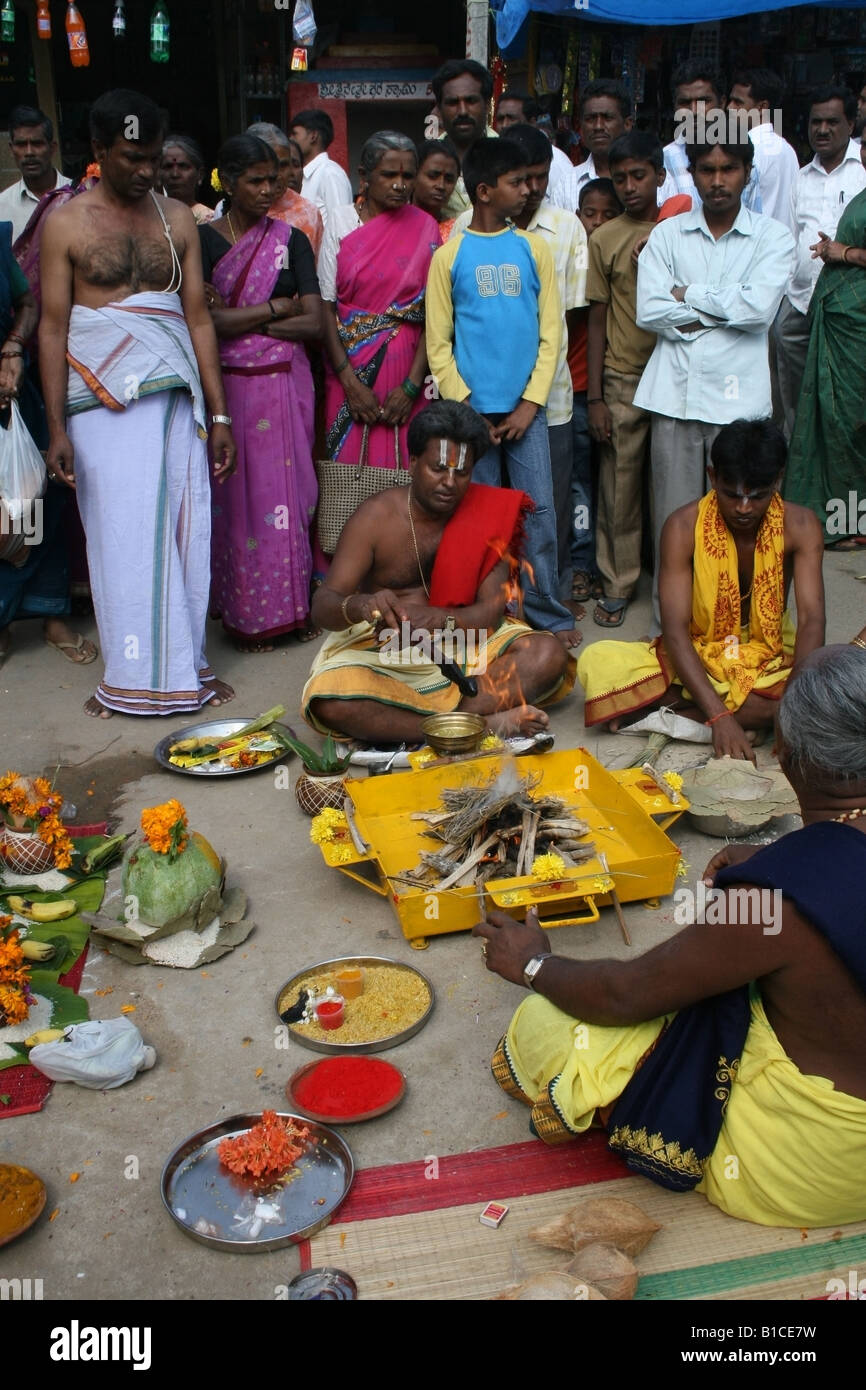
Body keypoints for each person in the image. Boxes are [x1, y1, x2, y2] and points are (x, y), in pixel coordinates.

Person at [478, 642, 866, 1229]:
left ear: (785, 754)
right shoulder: (782, 883)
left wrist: (534, 965)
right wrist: (773, 856)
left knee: (550, 1028)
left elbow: (625, 994)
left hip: (821, 1168)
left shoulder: (771, 900)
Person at [38, 89, 237, 718]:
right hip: (99, 405)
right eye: (131, 158)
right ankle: (128, 675)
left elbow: (198, 317)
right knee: (120, 536)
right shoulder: (66, 224)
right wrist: (55, 428)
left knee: (182, 532)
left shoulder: (179, 219)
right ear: (98, 152)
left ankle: (186, 667)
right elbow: (52, 327)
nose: (146, 169)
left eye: (153, 156)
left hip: (176, 401)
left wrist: (222, 411)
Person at [303, 400, 573, 742]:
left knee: (547, 654)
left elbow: (491, 612)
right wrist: (363, 605)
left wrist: (435, 619)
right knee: (330, 700)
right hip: (387, 648)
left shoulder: (489, 513)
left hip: (467, 639)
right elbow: (324, 604)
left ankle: (434, 724)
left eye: (461, 472)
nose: (449, 482)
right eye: (438, 468)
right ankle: (485, 723)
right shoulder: (375, 517)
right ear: (413, 463)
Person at [577, 418, 825, 760]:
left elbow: (812, 620)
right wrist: (722, 718)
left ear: (777, 480)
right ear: (712, 477)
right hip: (698, 650)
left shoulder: (800, 525)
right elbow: (676, 630)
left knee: (827, 681)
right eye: (732, 494)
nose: (743, 508)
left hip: (770, 656)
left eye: (758, 497)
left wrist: (795, 705)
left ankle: (678, 709)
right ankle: (739, 717)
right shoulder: (682, 526)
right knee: (598, 661)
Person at [634, 137, 794, 629]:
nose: (718, 180)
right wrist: (725, 308)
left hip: (739, 407)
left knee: (741, 520)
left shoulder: (773, 237)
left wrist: (689, 296)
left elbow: (759, 310)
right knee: (674, 523)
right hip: (675, 397)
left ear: (748, 173)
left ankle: (739, 623)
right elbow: (650, 310)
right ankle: (673, 629)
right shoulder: (667, 236)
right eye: (707, 169)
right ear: (693, 172)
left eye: (729, 169)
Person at [426, 138, 580, 648]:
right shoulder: (449, 256)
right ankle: (491, 614)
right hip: (472, 417)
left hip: (525, 414)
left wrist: (530, 404)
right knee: (479, 512)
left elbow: (550, 333)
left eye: (531, 181)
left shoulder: (534, 249)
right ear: (486, 192)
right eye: (518, 182)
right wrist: (466, 408)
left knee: (537, 512)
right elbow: (439, 343)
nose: (529, 189)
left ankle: (547, 616)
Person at [199, 135, 321, 653]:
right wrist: (276, 310)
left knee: (290, 502)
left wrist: (239, 323)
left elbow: (315, 319)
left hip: (286, 387)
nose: (268, 189)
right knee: (238, 502)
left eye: (273, 179)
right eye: (255, 180)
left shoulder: (290, 240)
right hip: (230, 392)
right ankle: (248, 616)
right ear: (226, 181)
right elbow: (205, 323)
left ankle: (291, 611)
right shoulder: (204, 241)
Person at [319, 132, 438, 490]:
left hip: (408, 375)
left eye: (408, 175)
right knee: (348, 473)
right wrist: (351, 385)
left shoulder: (425, 227)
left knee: (407, 468)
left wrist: (411, 386)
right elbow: (326, 309)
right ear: (364, 177)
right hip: (347, 373)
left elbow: (435, 314)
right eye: (389, 175)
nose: (401, 185)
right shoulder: (339, 224)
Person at [0, 221, 93, 669]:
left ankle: (50, 613)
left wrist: (14, 348)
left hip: (12, 391)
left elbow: (26, 304)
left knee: (31, 503)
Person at [586, 132, 665, 629]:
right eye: (621, 178)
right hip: (623, 375)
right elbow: (596, 318)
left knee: (676, 482)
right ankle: (617, 581)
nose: (631, 186)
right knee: (620, 484)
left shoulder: (681, 228)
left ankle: (674, 575)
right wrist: (594, 395)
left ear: (659, 175)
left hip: (679, 373)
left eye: (639, 176)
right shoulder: (606, 237)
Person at [775, 86, 866, 439]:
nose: (822, 130)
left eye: (832, 122)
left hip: (847, 303)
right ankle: (801, 452)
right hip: (800, 299)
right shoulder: (801, 176)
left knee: (843, 390)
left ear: (851, 123)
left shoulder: (863, 169)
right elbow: (789, 235)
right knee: (793, 375)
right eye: (816, 122)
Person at [784, 183, 866, 547]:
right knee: (834, 421)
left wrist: (843, 252)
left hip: (857, 326)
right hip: (842, 320)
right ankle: (843, 519)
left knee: (852, 421)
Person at [567, 179, 621, 606]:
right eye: (590, 213)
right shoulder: (570, 258)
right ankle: (575, 564)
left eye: (607, 214)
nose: (597, 222)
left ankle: (591, 565)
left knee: (595, 485)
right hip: (564, 392)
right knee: (573, 485)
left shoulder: (617, 259)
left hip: (595, 392)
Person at [727, 69, 799, 232]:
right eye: (730, 101)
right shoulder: (788, 150)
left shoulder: (747, 152)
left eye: (737, 103)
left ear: (761, 107)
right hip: (783, 248)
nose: (729, 107)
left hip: (755, 249)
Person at [553, 80, 633, 213]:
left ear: (627, 124)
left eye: (607, 118)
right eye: (590, 119)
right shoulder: (567, 183)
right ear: (581, 126)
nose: (598, 127)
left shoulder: (650, 179)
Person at [246, 123, 323, 260]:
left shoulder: (308, 214)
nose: (278, 175)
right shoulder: (231, 211)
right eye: (268, 166)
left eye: (284, 165)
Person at [430, 58, 495, 219]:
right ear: (439, 109)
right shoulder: (425, 162)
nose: (463, 111)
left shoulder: (510, 157)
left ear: (487, 104)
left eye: (471, 101)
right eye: (453, 103)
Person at [0, 107, 72, 244]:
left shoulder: (78, 194)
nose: (29, 152)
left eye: (37, 143)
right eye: (21, 144)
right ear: (11, 149)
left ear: (52, 148)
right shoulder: (2, 207)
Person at [493, 91, 572, 205]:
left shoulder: (558, 161)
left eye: (512, 118)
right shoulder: (494, 157)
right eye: (500, 119)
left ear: (532, 122)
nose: (504, 125)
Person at [288, 110, 352, 228]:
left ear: (313, 136)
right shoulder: (301, 174)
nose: (290, 139)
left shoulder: (330, 174)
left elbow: (342, 228)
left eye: (294, 134)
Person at [412, 138, 460, 243]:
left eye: (449, 179)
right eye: (433, 176)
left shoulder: (457, 232)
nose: (441, 186)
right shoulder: (392, 223)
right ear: (414, 175)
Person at [159, 135, 214, 225]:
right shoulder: (151, 218)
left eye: (183, 166)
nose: (175, 174)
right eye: (168, 166)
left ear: (200, 175)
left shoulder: (211, 220)